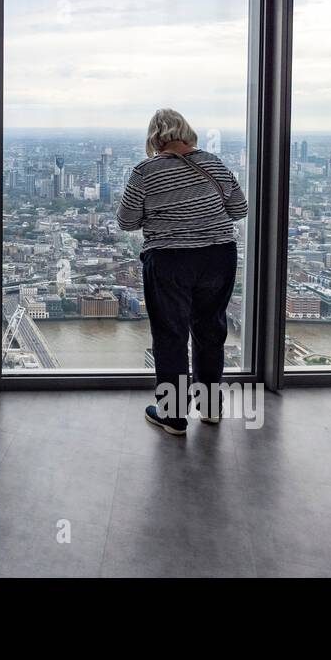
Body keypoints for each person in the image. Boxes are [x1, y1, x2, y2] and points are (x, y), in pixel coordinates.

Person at [118, 108, 248, 435]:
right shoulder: (215, 164)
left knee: (171, 336)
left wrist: (166, 216)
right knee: (211, 329)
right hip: (219, 256)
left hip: (170, 260)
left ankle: (174, 417)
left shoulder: (145, 172)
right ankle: (210, 408)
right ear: (187, 132)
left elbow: (126, 221)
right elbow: (239, 209)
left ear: (155, 138)